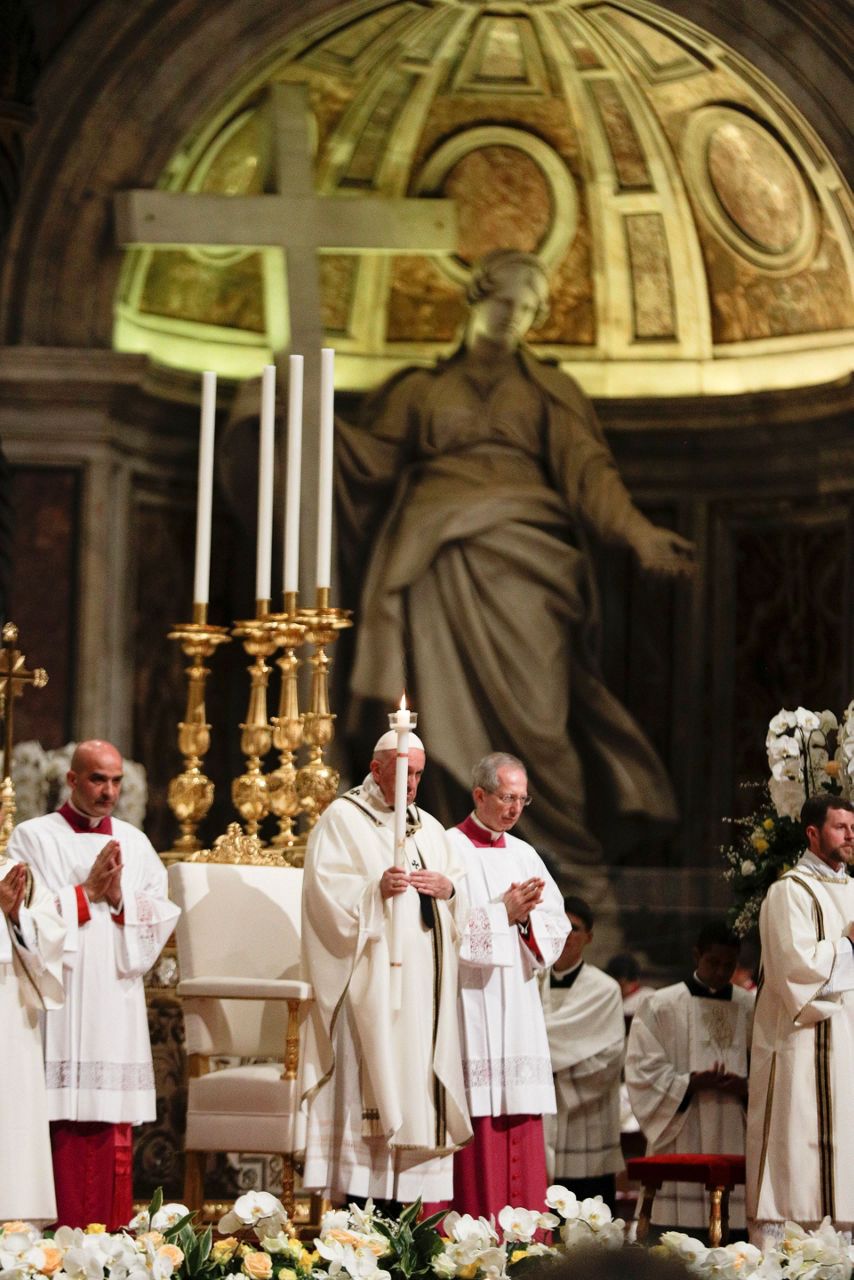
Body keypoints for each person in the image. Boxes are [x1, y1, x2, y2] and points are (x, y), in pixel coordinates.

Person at [336, 248, 694, 902]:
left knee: (541, 728)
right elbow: (369, 460)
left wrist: (639, 534)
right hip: (434, 561)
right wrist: (302, 422)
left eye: (529, 308)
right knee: (431, 723)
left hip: (526, 559)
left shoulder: (548, 389)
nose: (515, 317)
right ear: (477, 297)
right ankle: (449, 873)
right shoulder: (422, 389)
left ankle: (579, 884)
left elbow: (591, 476)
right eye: (506, 301)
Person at [7, 739, 179, 1229]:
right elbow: (23, 923)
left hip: (114, 1002)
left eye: (116, 781)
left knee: (111, 1127)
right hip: (58, 1001)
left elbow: (158, 918)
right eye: (98, 780)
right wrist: (85, 895)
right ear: (72, 781)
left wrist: (121, 895)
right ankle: (52, 1241)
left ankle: (111, 1241)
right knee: (57, 1123)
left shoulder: (136, 842)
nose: (109, 792)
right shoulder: (32, 838)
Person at [299, 730, 471, 1208]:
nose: (411, 784)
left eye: (417, 774)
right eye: (403, 773)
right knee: (373, 1082)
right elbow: (323, 899)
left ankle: (410, 1217)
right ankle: (361, 1205)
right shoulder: (343, 819)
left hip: (422, 989)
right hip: (370, 985)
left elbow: (461, 896)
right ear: (377, 770)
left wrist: (447, 891)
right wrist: (374, 892)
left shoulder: (431, 829)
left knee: (417, 1085)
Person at [446, 751, 569, 1220]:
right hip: (471, 1000)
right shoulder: (447, 848)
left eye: (522, 799)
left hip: (516, 1001)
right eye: (506, 797)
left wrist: (524, 921)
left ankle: (526, 1237)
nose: (515, 808)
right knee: (478, 1118)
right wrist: (503, 913)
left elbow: (554, 928)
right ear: (479, 795)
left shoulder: (525, 854)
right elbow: (445, 929)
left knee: (519, 1112)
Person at [746, 795, 854, 1245]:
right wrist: (849, 945)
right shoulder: (788, 892)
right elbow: (794, 973)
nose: (850, 835)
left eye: (853, 827)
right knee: (797, 1162)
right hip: (803, 1048)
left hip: (847, 1049)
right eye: (840, 827)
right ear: (812, 833)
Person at [625, 921, 753, 1232]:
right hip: (681, 1131)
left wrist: (746, 1088)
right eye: (713, 962)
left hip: (734, 1128)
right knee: (674, 1239)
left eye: (729, 965)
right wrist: (689, 1083)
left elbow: (768, 1069)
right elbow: (642, 1068)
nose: (721, 972)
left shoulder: (750, 1006)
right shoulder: (661, 1004)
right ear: (697, 955)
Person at [543, 895, 625, 1212]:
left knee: (589, 1228)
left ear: (589, 937)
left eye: (573, 929)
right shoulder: (528, 983)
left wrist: (550, 1076)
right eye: (558, 927)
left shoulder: (604, 989)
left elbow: (610, 1057)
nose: (565, 936)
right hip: (540, 1117)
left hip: (585, 1121)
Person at [0, 852, 65, 1223]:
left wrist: (14, 915)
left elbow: (51, 936)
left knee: (12, 1120)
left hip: (12, 1018)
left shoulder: (19, 875)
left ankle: (13, 1231)